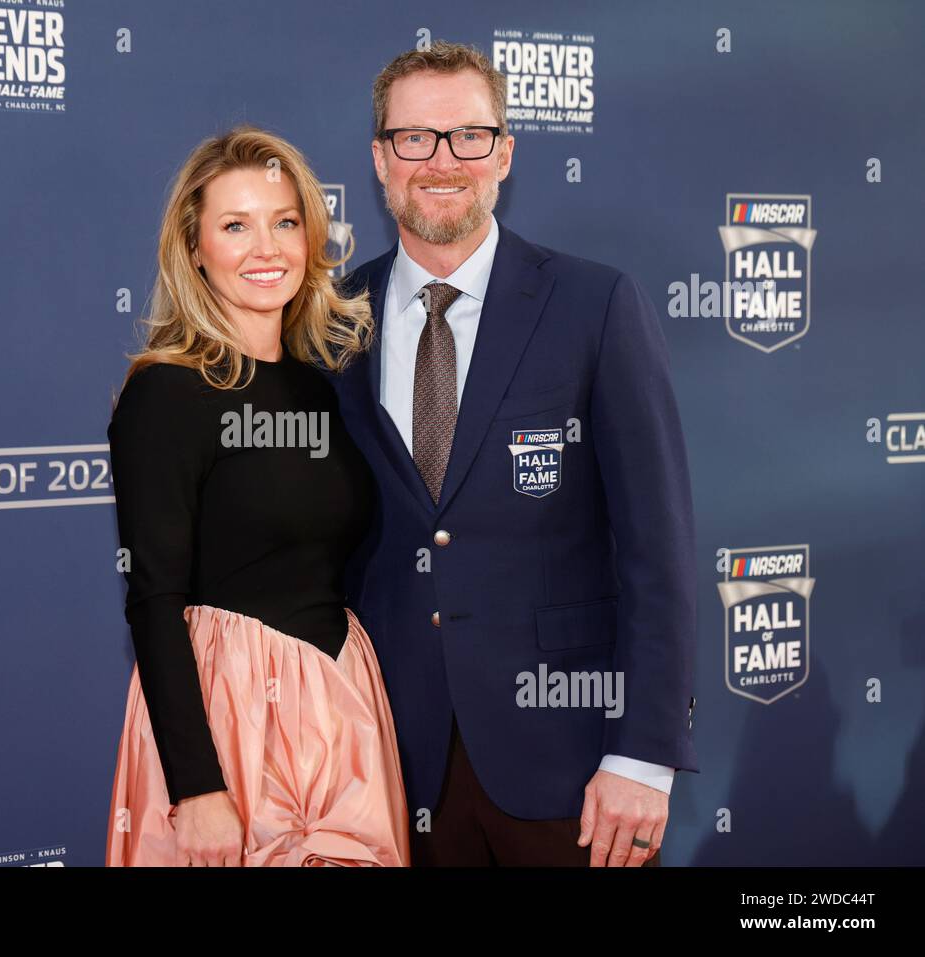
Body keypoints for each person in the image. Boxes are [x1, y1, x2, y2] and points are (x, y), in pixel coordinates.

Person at [329, 40, 699, 866]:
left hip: (569, 766)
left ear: (504, 153)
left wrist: (644, 754)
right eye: (414, 139)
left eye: (468, 135)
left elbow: (658, 547)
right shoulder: (330, 321)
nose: (441, 161)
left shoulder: (594, 303)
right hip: (386, 760)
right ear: (380, 160)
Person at [104, 124, 409, 866]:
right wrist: (196, 785)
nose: (265, 248)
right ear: (195, 248)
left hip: (342, 707)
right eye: (235, 226)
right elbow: (153, 598)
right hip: (227, 716)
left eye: (284, 221)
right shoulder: (166, 394)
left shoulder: (320, 385)